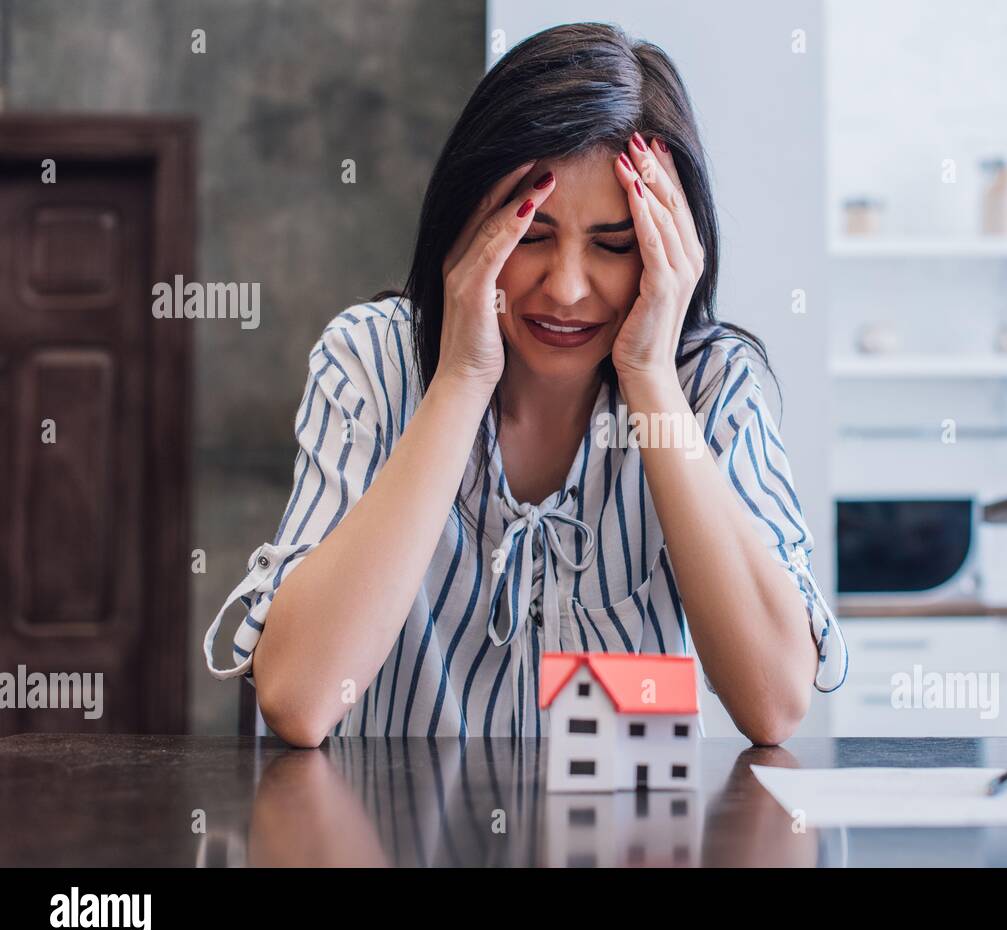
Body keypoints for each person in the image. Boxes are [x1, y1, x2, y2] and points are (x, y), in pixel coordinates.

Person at [203, 22, 846, 747]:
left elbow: (778, 702)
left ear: (671, 250)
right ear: (464, 222)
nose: (567, 288)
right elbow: (297, 697)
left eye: (614, 245)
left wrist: (651, 379)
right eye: (531, 235)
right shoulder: (369, 362)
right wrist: (460, 380)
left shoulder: (711, 387)